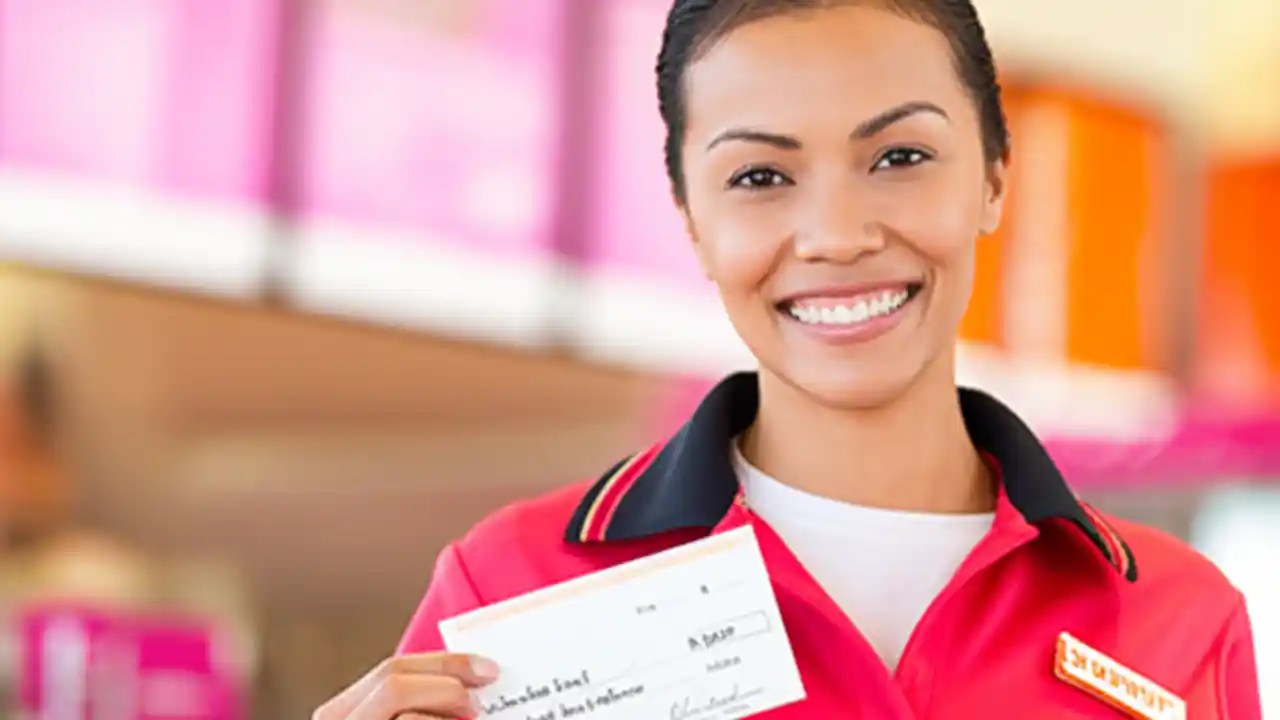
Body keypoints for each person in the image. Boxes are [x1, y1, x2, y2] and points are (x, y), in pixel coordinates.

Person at [314, 1, 1262, 718]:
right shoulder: (514, 585)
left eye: (899, 157)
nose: (837, 236)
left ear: (993, 178)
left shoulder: (1178, 617)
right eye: (760, 177)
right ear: (692, 220)